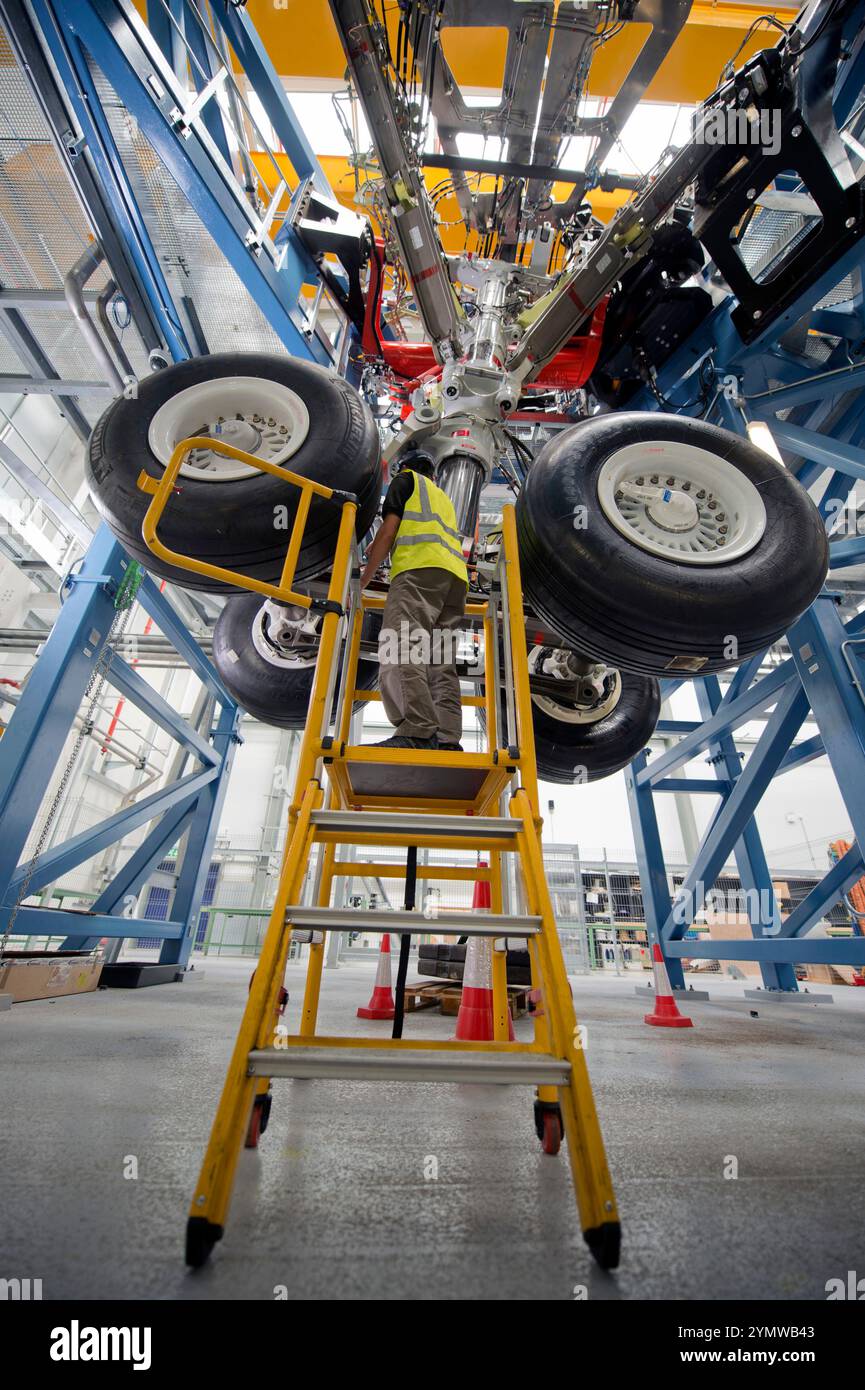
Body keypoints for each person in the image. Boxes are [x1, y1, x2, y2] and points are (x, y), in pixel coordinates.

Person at [359, 453, 468, 750]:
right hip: (454, 582)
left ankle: (417, 730)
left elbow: (390, 530)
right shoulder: (441, 497)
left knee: (401, 645)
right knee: (439, 660)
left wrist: (364, 580)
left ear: (403, 468)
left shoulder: (405, 480)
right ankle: (447, 739)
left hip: (418, 574)